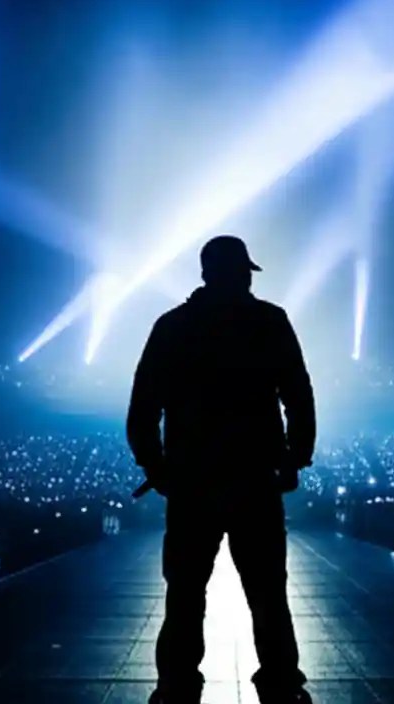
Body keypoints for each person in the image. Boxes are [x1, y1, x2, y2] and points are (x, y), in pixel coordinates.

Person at [128, 235, 315, 704]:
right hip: (255, 481)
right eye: (246, 271)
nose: (249, 279)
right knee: (268, 593)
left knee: (186, 594)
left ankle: (176, 684)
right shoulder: (269, 322)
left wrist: (157, 466)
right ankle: (280, 683)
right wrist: (296, 456)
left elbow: (143, 407)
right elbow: (298, 392)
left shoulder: (172, 327)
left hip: (192, 484)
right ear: (237, 273)